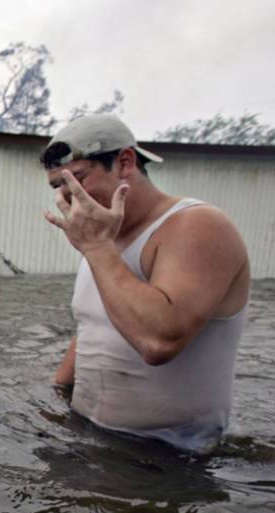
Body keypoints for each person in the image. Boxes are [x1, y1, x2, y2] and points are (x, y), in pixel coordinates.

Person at [41, 114, 250, 451]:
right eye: (57, 186)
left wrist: (95, 247)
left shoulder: (197, 225)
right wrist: (53, 398)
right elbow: (93, 329)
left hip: (170, 456)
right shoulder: (103, 239)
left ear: (125, 162)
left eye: (76, 178)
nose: (67, 196)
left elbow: (158, 341)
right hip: (88, 436)